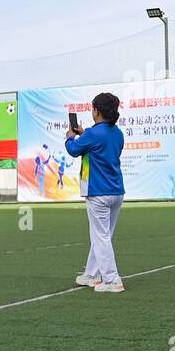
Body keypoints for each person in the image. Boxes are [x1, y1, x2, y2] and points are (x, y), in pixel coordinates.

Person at [66, 93, 126, 293]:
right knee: (101, 235)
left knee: (100, 236)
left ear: (97, 111)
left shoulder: (92, 134)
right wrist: (83, 134)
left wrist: (70, 137)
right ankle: (92, 274)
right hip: (116, 191)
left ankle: (112, 279)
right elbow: (97, 144)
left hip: (98, 191)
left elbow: (74, 150)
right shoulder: (117, 133)